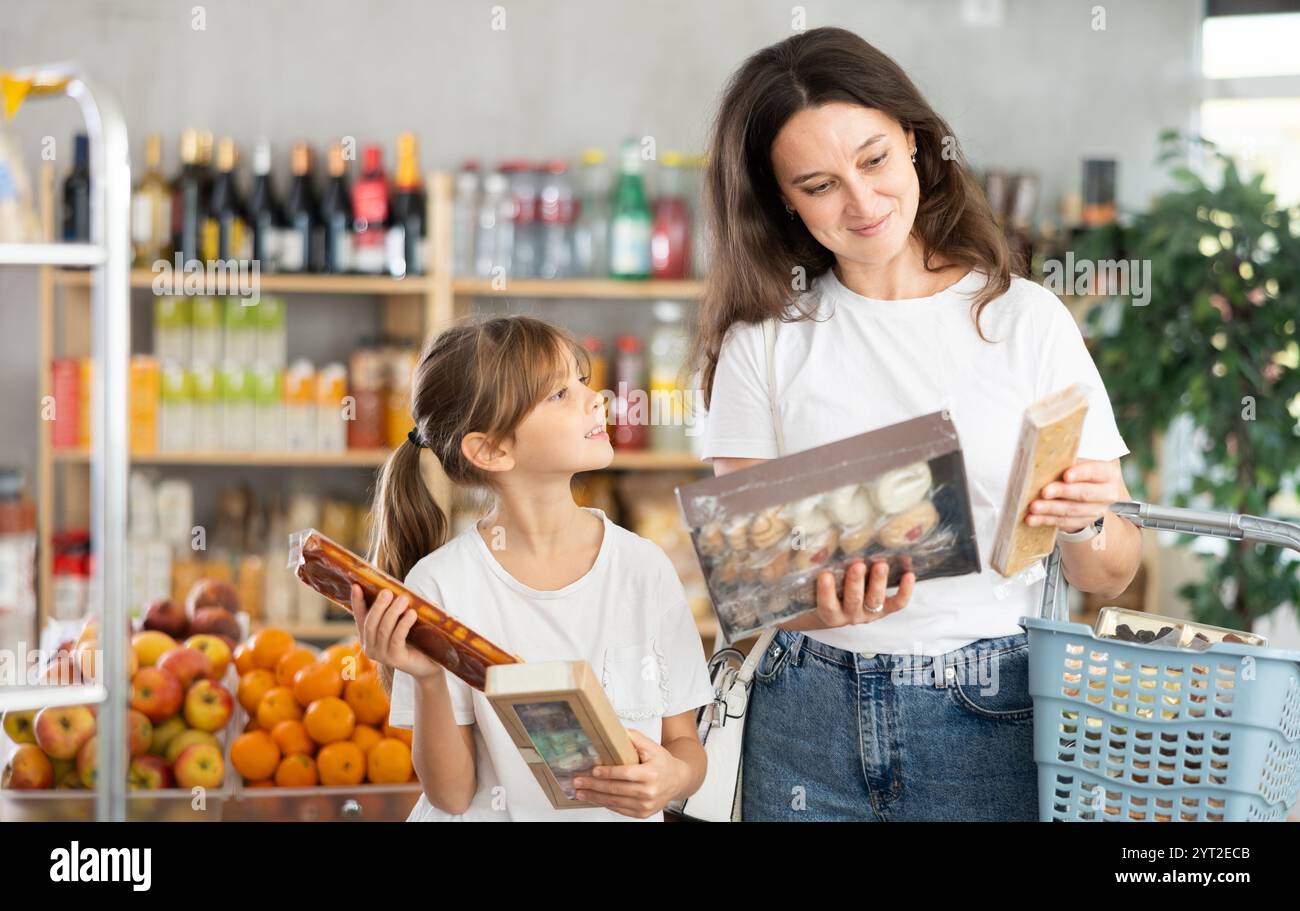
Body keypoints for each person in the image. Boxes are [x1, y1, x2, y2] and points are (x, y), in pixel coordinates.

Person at [691, 26, 1142, 821]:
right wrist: (821, 605)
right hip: (804, 714)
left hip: (991, 712)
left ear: (915, 141)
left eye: (873, 160)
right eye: (819, 183)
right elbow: (750, 586)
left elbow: (1109, 574)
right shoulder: (761, 340)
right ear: (782, 198)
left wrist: (1090, 519)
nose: (862, 204)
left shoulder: (1024, 320)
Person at [357, 315, 714, 820]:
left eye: (582, 382)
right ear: (491, 449)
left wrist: (672, 778)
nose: (597, 399)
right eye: (559, 395)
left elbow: (685, 744)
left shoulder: (643, 568)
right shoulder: (442, 586)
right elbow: (451, 796)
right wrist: (429, 678)